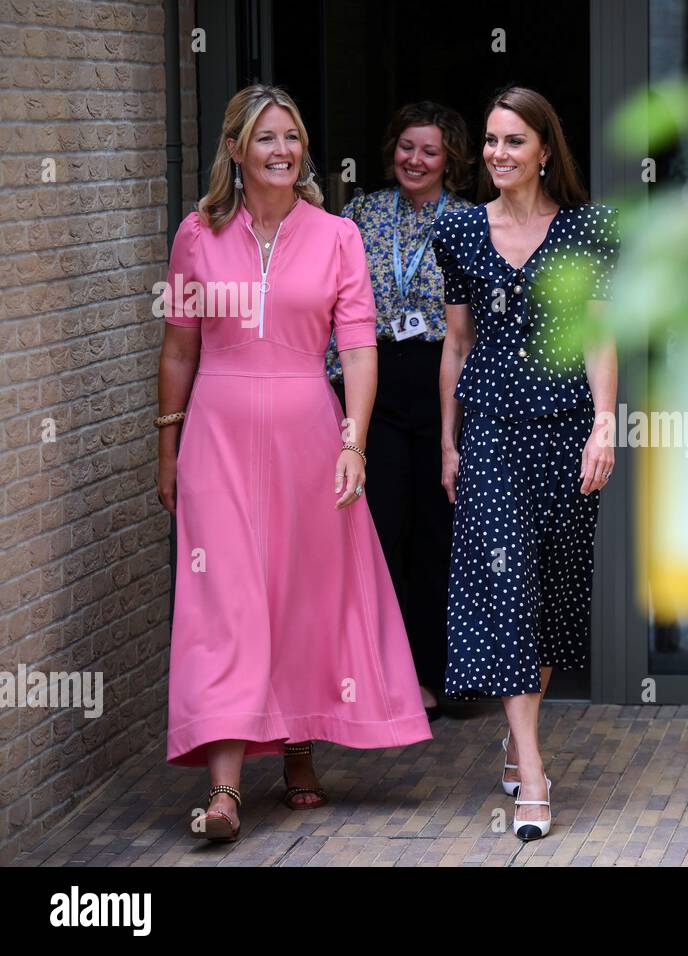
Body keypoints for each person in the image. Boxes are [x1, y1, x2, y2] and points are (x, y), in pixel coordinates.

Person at [155, 84, 431, 843]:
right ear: (236, 151)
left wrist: (353, 441)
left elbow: (360, 348)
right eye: (268, 138)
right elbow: (179, 346)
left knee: (301, 593)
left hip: (311, 436)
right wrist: (166, 445)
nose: (284, 150)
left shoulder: (338, 235)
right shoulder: (196, 236)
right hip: (217, 438)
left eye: (293, 137)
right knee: (227, 604)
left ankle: (301, 742)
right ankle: (224, 793)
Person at [433, 86, 619, 841]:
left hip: (566, 428)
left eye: (514, 141)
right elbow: (456, 345)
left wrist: (604, 424)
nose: (497, 154)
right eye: (490, 140)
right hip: (490, 436)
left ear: (546, 150)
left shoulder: (586, 230)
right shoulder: (459, 233)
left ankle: (517, 735)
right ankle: (534, 774)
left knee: (550, 591)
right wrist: (448, 441)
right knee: (506, 590)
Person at [323, 102, 475, 721]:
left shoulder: (469, 221)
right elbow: (332, 298)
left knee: (439, 535)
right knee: (381, 532)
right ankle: (381, 677)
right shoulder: (359, 213)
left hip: (443, 381)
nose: (415, 160)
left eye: (429, 151)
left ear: (451, 161)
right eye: (407, 147)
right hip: (376, 384)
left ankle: (442, 676)